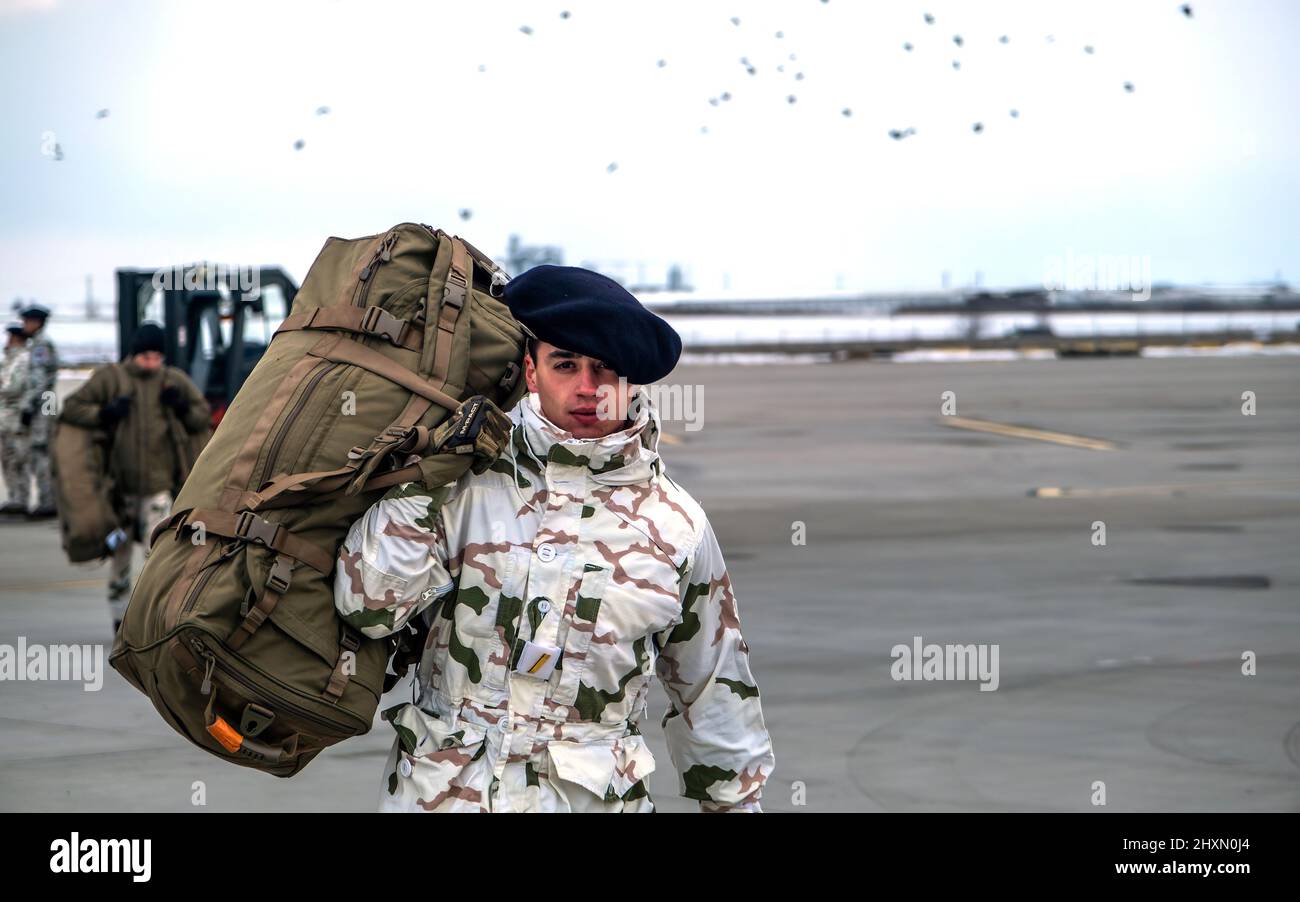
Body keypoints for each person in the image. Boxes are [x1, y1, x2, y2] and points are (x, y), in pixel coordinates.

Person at [335, 265, 774, 812]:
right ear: (531, 370)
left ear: (630, 380)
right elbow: (369, 608)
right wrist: (423, 478)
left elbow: (714, 688)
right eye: (565, 364)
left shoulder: (676, 527)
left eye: (605, 369)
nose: (587, 388)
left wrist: (736, 805)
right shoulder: (461, 484)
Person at [59, 322, 211, 632]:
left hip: (159, 489)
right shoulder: (111, 379)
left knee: (160, 558)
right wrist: (104, 414)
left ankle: (157, 620)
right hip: (119, 491)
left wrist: (181, 407)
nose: (152, 363)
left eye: (157, 357)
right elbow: (72, 408)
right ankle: (119, 621)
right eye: (146, 357)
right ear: (134, 354)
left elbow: (201, 417)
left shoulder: (173, 381)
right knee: (121, 560)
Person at [18, 303, 59, 518]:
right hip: (46, 402)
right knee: (43, 451)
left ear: (37, 323)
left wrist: (27, 406)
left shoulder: (40, 345)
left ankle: (48, 501)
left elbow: (39, 380)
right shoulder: (38, 343)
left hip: (42, 403)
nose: (24, 325)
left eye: (27, 321)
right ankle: (48, 499)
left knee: (41, 451)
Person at [0, 322, 32, 515]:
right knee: (7, 460)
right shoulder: (8, 360)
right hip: (5, 419)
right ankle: (14, 497)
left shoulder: (23, 359)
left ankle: (21, 498)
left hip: (16, 418)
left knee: (19, 459)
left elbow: (14, 386)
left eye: (11, 337)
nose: (8, 341)